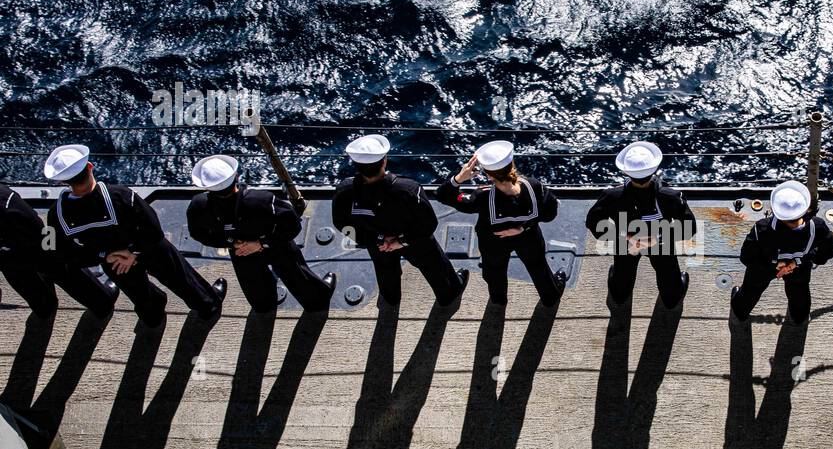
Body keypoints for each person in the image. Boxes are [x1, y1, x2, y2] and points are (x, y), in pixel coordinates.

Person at [43, 144, 225, 327]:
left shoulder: (55, 214)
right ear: (90, 166)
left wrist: (104, 256)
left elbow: (54, 250)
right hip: (149, 248)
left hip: (114, 262)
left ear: (62, 182)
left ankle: (153, 318)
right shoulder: (121, 195)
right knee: (182, 278)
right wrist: (133, 253)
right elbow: (153, 226)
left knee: (139, 293)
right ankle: (207, 305)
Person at [331, 134, 468, 308]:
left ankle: (391, 298)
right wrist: (401, 241)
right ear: (384, 162)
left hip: (377, 244)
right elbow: (428, 224)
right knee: (434, 267)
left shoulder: (344, 191)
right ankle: (449, 293)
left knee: (385, 270)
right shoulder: (408, 189)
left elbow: (341, 223)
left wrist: (378, 240)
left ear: (357, 166)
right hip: (415, 241)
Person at [187, 155, 336, 313]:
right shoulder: (261, 200)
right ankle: (316, 302)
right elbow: (292, 225)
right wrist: (261, 243)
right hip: (276, 245)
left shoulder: (199, 205)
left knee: (254, 284)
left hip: (240, 251)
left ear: (207, 188)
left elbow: (198, 233)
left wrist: (232, 242)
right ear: (236, 176)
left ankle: (264, 307)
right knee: (297, 275)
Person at [436, 141, 565, 307]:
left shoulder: (482, 197)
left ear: (489, 175)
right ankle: (550, 297)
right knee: (538, 266)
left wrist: (459, 178)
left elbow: (443, 196)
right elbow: (549, 214)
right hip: (528, 236)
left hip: (493, 242)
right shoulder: (534, 186)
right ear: (512, 164)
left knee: (494, 270)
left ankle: (498, 300)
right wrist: (523, 227)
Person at [585, 141, 693, 309]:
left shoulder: (612, 196)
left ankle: (619, 296)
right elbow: (689, 228)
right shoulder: (670, 196)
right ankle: (671, 299)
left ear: (626, 172)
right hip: (660, 242)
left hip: (627, 242)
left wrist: (623, 236)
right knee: (668, 273)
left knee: (622, 271)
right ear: (654, 170)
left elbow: (593, 221)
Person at [1, 182, 118, 318]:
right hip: (32, 247)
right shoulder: (4, 200)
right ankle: (100, 301)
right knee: (99, 302)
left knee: (42, 304)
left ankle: (45, 303)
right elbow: (36, 226)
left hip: (10, 255)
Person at [730, 180, 833, 325]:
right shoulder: (817, 226)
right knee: (799, 291)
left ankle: (740, 312)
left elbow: (746, 257)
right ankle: (799, 317)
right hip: (799, 268)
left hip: (764, 268)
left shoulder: (762, 228)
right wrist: (796, 263)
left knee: (751, 289)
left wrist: (775, 264)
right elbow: (826, 254)